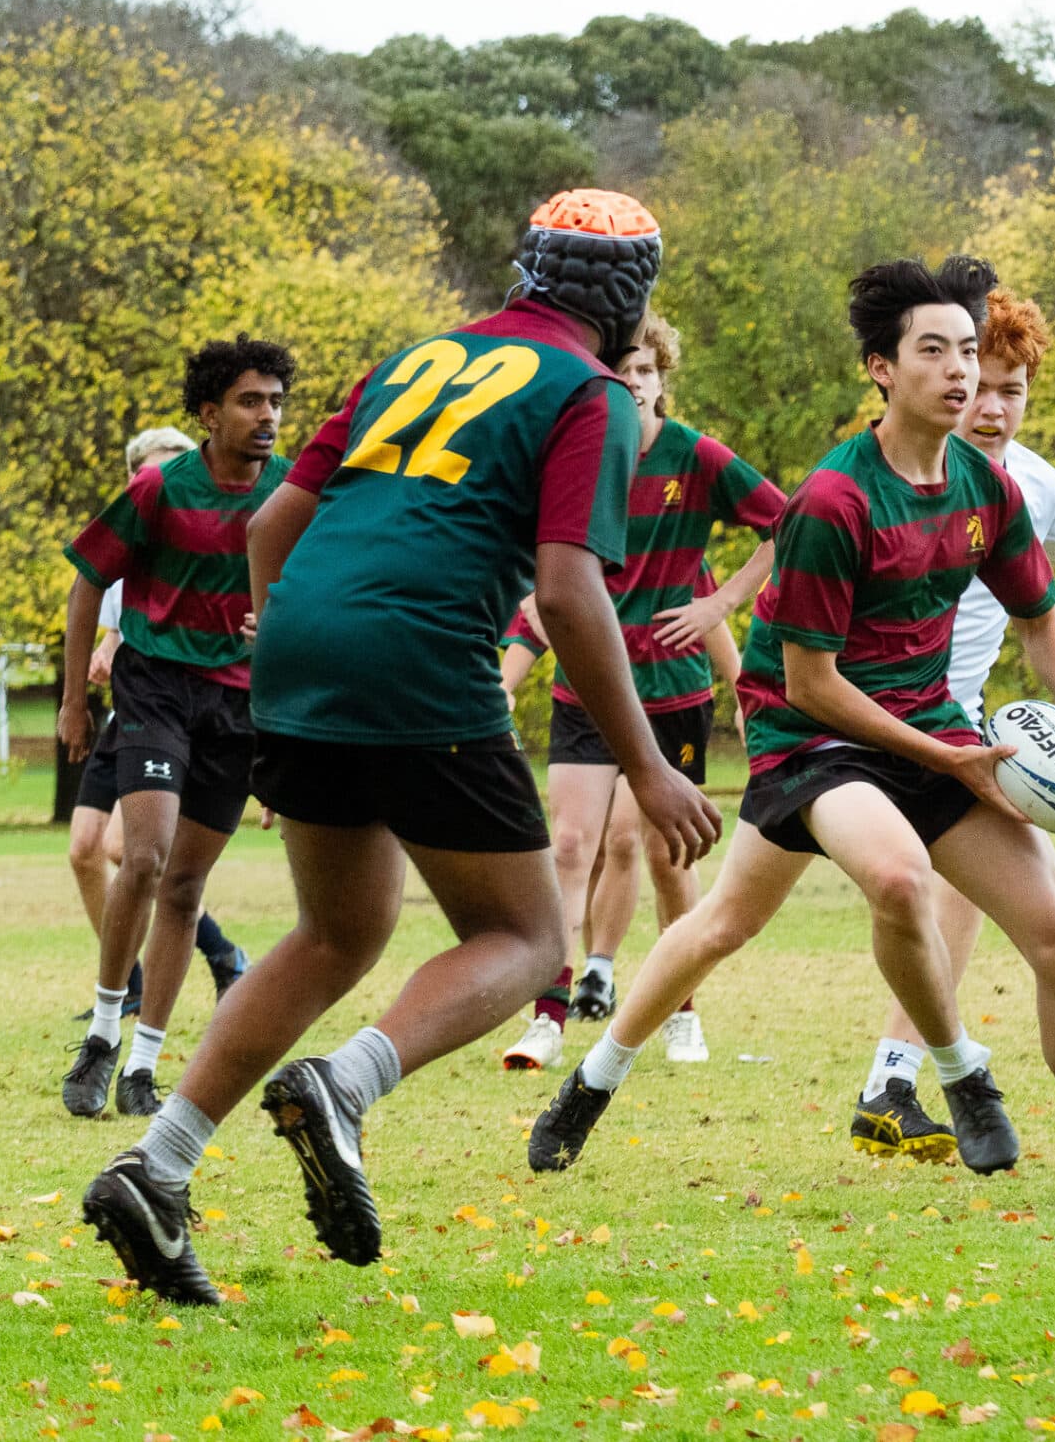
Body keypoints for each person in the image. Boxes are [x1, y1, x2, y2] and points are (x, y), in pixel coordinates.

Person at [79, 189, 720, 1305]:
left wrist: (294, 654)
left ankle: (161, 1165)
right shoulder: (594, 394)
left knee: (338, 931)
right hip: (418, 655)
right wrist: (652, 766)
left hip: (294, 647)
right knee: (526, 936)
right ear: (627, 296)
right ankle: (346, 1084)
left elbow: (272, 522)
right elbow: (569, 596)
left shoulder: (417, 359)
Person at [529, 256, 1055, 1205]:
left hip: (931, 724)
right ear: (881, 368)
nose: (959, 373)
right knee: (894, 877)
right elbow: (812, 683)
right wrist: (949, 757)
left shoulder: (988, 492)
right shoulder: (836, 499)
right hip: (810, 734)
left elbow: (1041, 622)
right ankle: (957, 1070)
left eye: (969, 353)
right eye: (934, 351)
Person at [845, 285, 1055, 1160]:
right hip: (879, 725)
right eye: (981, 381)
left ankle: (895, 1081)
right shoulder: (891, 471)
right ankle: (602, 1042)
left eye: (1012, 388)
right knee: (738, 916)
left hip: (964, 727)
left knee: (1014, 911)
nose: (991, 403)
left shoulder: (1036, 485)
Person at [492, 310, 783, 1071]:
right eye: (617, 372)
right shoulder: (577, 461)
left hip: (671, 695)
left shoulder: (697, 457)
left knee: (661, 854)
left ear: (661, 382)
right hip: (586, 691)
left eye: (643, 372)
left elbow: (792, 526)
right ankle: (547, 1017)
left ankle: (682, 1011)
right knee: (570, 843)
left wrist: (721, 605)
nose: (629, 385)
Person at [57, 339, 296, 1121]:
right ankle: (100, 1035)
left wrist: (285, 623)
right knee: (146, 857)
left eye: (274, 402)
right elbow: (88, 580)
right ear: (209, 413)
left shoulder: (292, 491)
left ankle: (144, 1064)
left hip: (238, 707)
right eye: (249, 401)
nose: (266, 416)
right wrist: (71, 702)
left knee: (187, 885)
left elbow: (321, 586)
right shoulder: (160, 487)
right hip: (156, 686)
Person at [65, 428, 254, 1021]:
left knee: (134, 851)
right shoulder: (135, 531)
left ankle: (212, 958)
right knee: (84, 851)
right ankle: (132, 980)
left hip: (183, 709)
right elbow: (115, 614)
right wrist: (98, 661)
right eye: (148, 472)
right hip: (137, 707)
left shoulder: (217, 535)